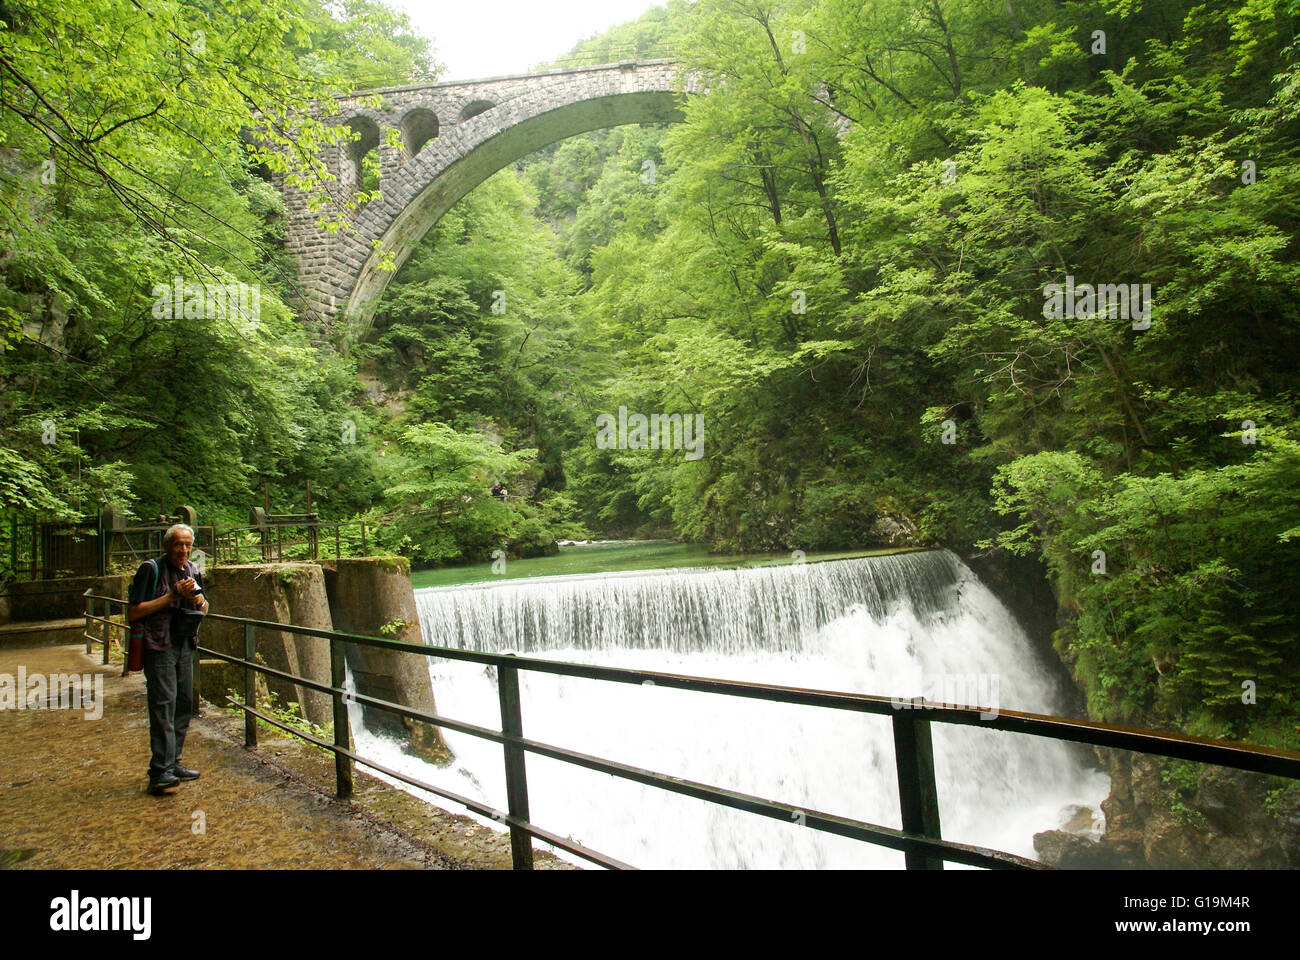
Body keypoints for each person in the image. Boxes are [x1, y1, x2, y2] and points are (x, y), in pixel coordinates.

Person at [127, 523, 208, 796]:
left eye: (187, 545)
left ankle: (174, 763)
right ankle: (159, 771)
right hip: (158, 646)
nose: (183, 550)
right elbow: (134, 612)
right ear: (167, 546)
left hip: (185, 644)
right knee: (163, 705)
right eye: (178, 544)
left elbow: (205, 606)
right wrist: (172, 595)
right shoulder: (150, 569)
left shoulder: (192, 570)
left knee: (183, 704)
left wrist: (197, 600)